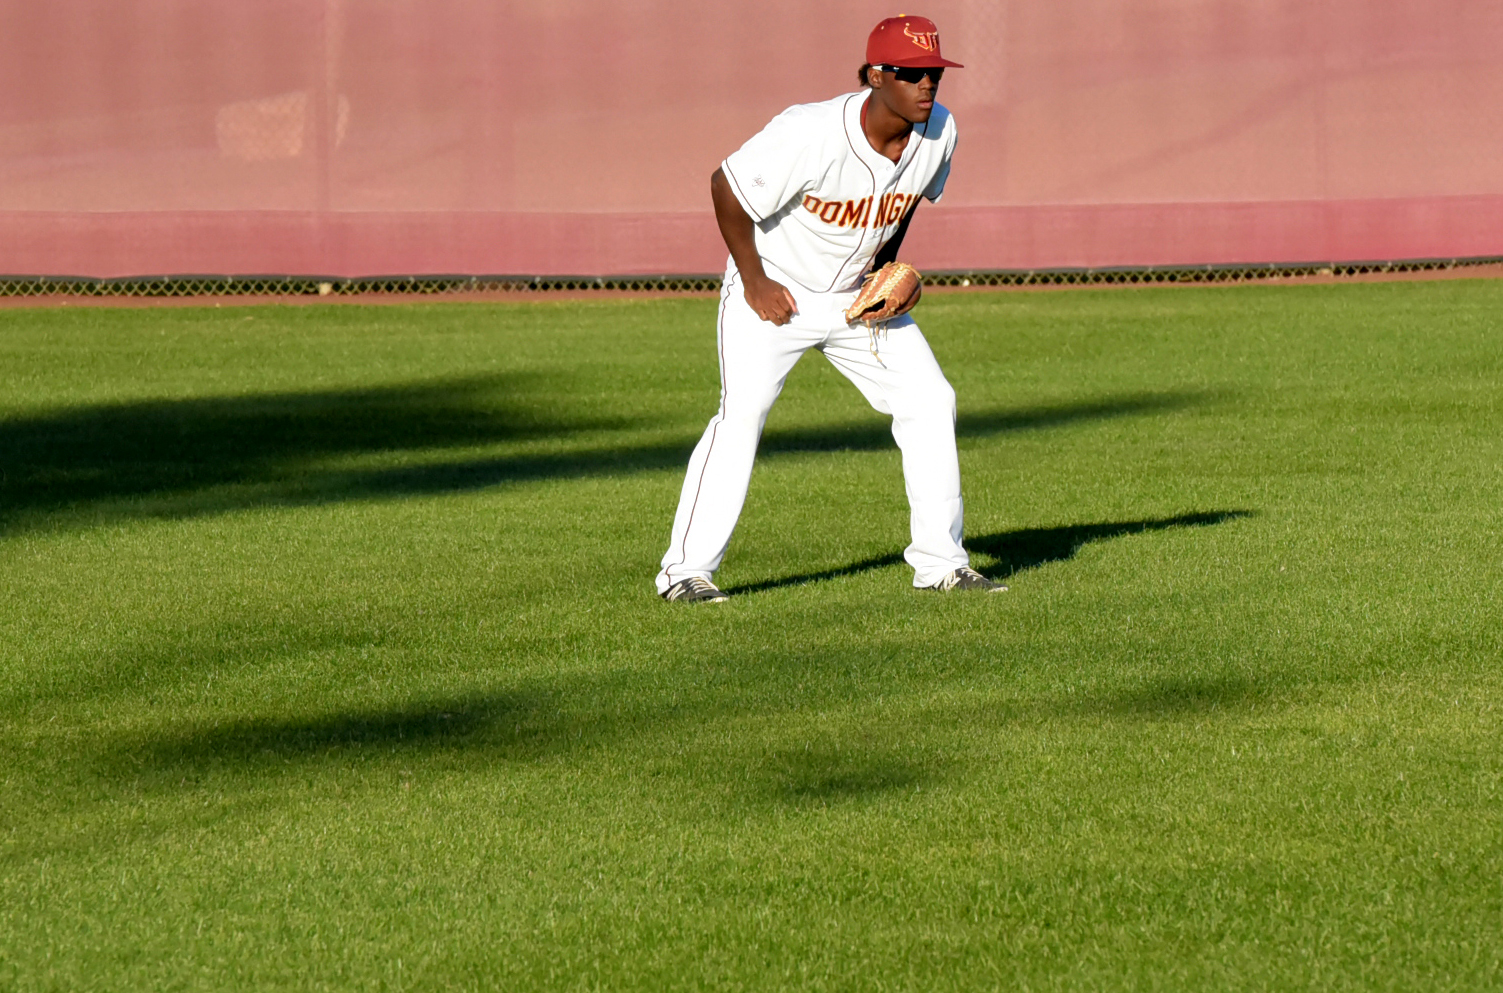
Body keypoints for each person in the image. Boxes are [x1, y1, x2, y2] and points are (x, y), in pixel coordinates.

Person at [656, 14, 1005, 602]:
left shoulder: (940, 132)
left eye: (934, 75)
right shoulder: (810, 131)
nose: (927, 85)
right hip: (776, 293)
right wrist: (754, 279)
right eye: (911, 73)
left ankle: (942, 564)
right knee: (741, 417)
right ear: (875, 74)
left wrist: (888, 266)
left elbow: (907, 200)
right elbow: (726, 186)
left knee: (929, 399)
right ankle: (684, 573)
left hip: (856, 303)